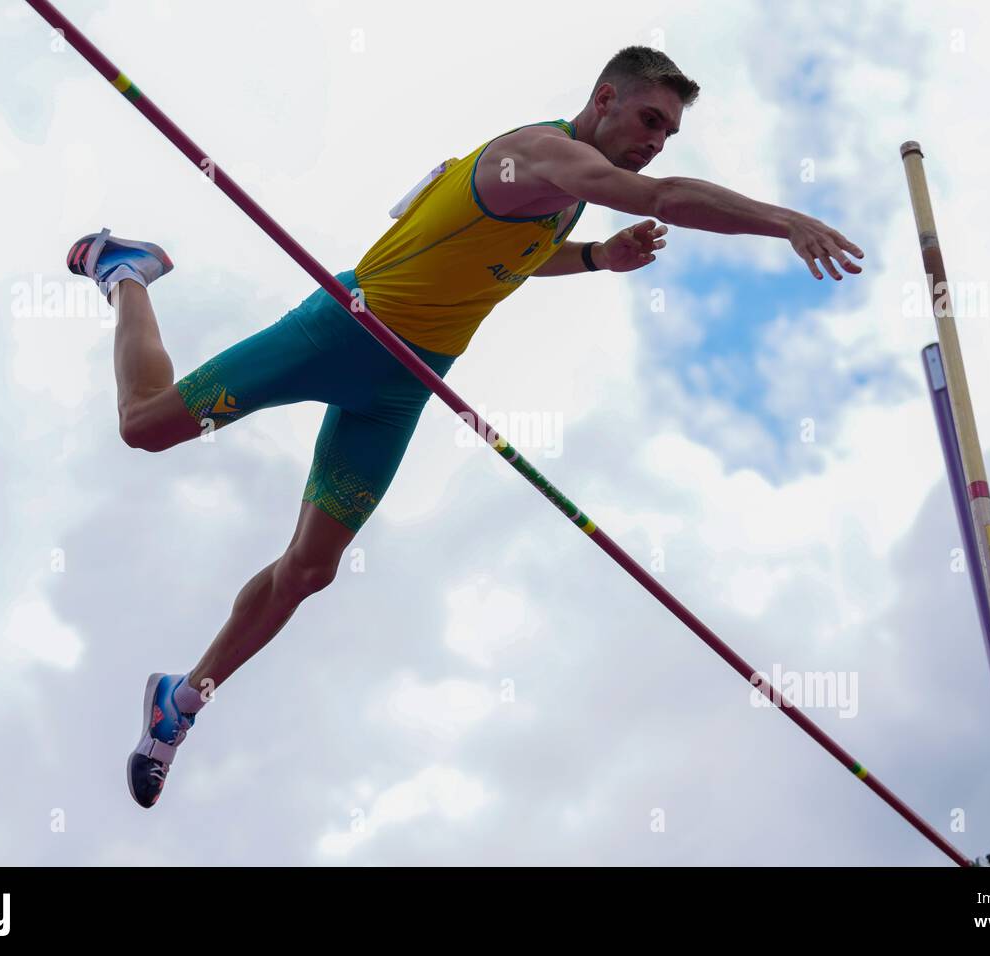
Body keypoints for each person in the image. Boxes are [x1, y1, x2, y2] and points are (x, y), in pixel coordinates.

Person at [65, 45, 863, 809]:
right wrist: (783, 219)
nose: (656, 143)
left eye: (669, 134)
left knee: (312, 569)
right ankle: (126, 271)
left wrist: (593, 260)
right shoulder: (540, 151)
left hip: (402, 386)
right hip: (342, 331)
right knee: (146, 426)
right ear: (605, 99)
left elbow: (515, 252)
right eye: (651, 121)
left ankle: (182, 701)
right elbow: (665, 200)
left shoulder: (569, 189)